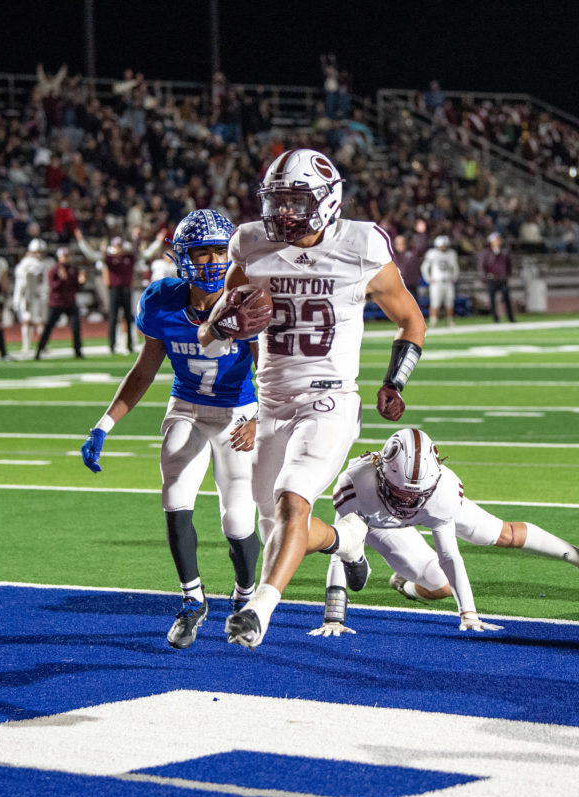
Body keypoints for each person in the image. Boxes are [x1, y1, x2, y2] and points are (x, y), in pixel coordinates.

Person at [196, 147, 427, 649]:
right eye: (277, 200)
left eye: (297, 201)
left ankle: (258, 611)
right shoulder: (250, 244)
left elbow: (411, 319)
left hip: (330, 400)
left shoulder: (361, 245)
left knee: (292, 500)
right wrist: (224, 324)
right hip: (272, 403)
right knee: (277, 525)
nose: (284, 212)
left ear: (328, 200)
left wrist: (394, 381)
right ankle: (347, 540)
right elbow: (209, 337)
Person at [80, 210, 262, 650]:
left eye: (219, 251)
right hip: (186, 407)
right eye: (202, 253)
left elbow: (272, 371)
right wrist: (104, 424)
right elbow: (144, 370)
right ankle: (192, 600)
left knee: (237, 520)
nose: (213, 262)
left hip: (237, 412)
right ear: (182, 257)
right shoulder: (161, 300)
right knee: (175, 499)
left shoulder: (246, 300)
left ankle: (245, 595)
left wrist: (260, 420)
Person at [309, 428, 579, 636]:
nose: (408, 501)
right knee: (440, 586)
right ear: (381, 473)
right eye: (402, 493)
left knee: (501, 534)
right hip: (382, 526)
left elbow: (450, 554)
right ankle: (405, 585)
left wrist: (469, 613)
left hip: (430, 508)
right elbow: (340, 550)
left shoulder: (441, 491)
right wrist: (334, 616)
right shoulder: (357, 487)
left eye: (415, 493)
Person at [35, 247, 86, 359]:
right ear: (59, 257)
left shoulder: (73, 269)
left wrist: (81, 282)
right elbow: (53, 286)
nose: (66, 258)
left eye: (67, 256)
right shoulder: (54, 270)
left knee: (76, 326)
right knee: (48, 327)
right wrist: (61, 279)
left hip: (70, 302)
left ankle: (78, 352)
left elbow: (76, 287)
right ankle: (39, 350)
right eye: (64, 256)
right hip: (56, 303)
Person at [13, 239, 50, 357]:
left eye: (40, 252)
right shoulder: (26, 263)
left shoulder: (46, 263)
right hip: (28, 295)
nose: (38, 254)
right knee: (27, 320)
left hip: (41, 295)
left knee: (41, 321)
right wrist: (17, 298)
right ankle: (26, 345)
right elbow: (20, 283)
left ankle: (43, 344)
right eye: (36, 252)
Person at [421, 235, 460, 327]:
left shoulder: (451, 253)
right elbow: (424, 267)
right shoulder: (432, 253)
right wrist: (428, 278)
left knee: (449, 302)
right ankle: (433, 321)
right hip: (437, 282)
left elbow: (455, 267)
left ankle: (449, 321)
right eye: (441, 245)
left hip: (448, 281)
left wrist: (454, 278)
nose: (443, 247)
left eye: (444, 245)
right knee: (435, 302)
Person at [479, 232, 516, 323]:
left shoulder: (504, 252)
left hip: (502, 278)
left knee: (506, 297)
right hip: (492, 278)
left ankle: (510, 318)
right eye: (496, 240)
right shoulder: (486, 253)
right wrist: (485, 278)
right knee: (492, 299)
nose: (498, 241)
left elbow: (509, 265)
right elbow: (482, 266)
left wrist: (507, 276)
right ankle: (495, 319)